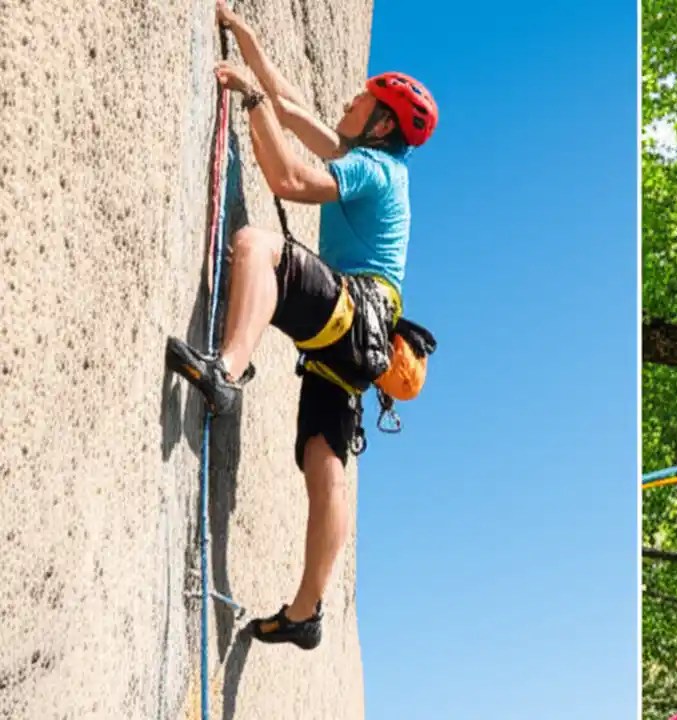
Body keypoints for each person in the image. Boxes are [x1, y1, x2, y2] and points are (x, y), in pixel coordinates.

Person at [165, 0, 437, 650]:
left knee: (259, 245)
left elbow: (286, 177)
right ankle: (308, 609)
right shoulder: (370, 155)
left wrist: (251, 105)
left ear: (379, 122)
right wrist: (248, 38)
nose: (349, 96)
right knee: (325, 459)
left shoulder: (371, 169)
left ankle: (223, 371)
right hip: (362, 339)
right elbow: (289, 103)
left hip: (357, 311)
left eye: (362, 96)